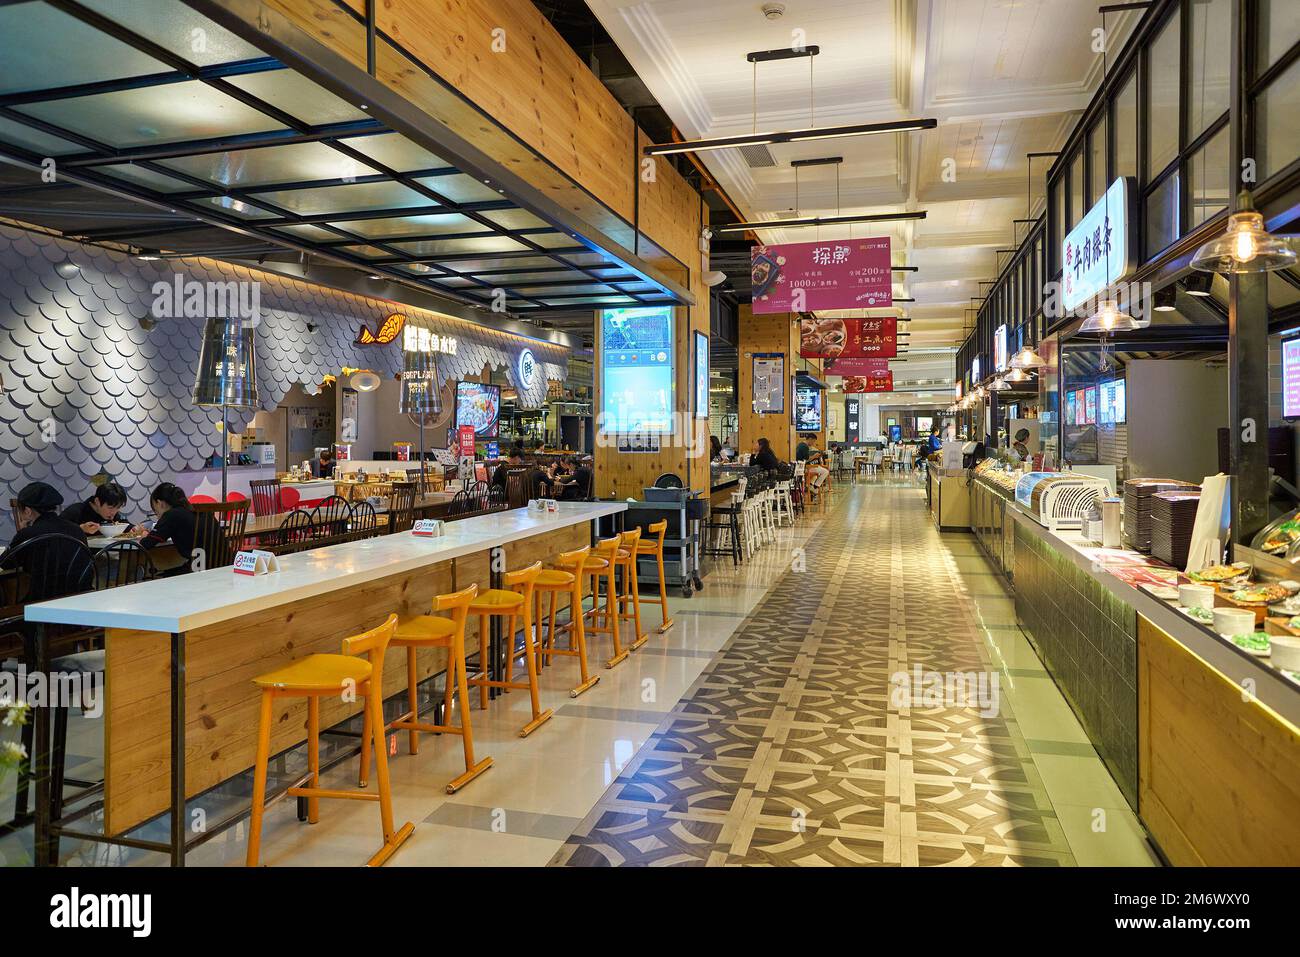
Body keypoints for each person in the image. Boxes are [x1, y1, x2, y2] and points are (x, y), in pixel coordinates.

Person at [1, 482, 91, 603]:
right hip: (80, 598)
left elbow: (5, 564)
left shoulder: (28, 534)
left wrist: (22, 533)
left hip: (42, 602)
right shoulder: (77, 529)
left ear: (27, 511)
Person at [133, 482, 197, 576]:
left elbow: (147, 543)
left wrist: (144, 536)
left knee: (156, 575)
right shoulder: (190, 510)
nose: (158, 517)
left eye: (156, 511)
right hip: (218, 563)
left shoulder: (171, 515)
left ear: (160, 503)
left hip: (200, 565)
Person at [60, 482, 130, 536]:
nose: (113, 513)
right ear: (97, 501)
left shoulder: (112, 515)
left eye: (118, 508)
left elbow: (124, 524)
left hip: (104, 553)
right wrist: (81, 528)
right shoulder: (76, 511)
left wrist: (134, 528)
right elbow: (55, 529)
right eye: (110, 507)